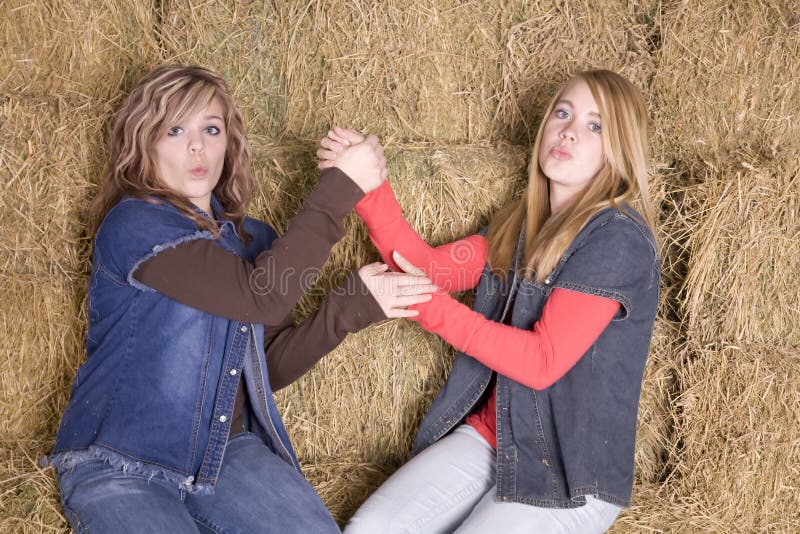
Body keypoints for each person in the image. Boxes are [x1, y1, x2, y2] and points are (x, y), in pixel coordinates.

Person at [42, 64, 434, 533]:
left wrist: (352, 306)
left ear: (229, 142)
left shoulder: (253, 241)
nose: (197, 146)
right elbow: (262, 297)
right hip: (123, 462)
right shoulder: (135, 225)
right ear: (144, 143)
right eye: (174, 130)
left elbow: (268, 366)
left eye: (211, 129)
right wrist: (339, 188)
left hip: (224, 454)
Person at [319, 70, 660, 533]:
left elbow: (541, 361)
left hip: (568, 474)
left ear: (620, 150)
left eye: (594, 126)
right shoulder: (519, 228)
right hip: (493, 438)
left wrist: (431, 307)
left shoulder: (617, 240)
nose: (569, 131)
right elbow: (429, 269)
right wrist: (368, 185)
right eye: (563, 113)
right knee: (370, 528)